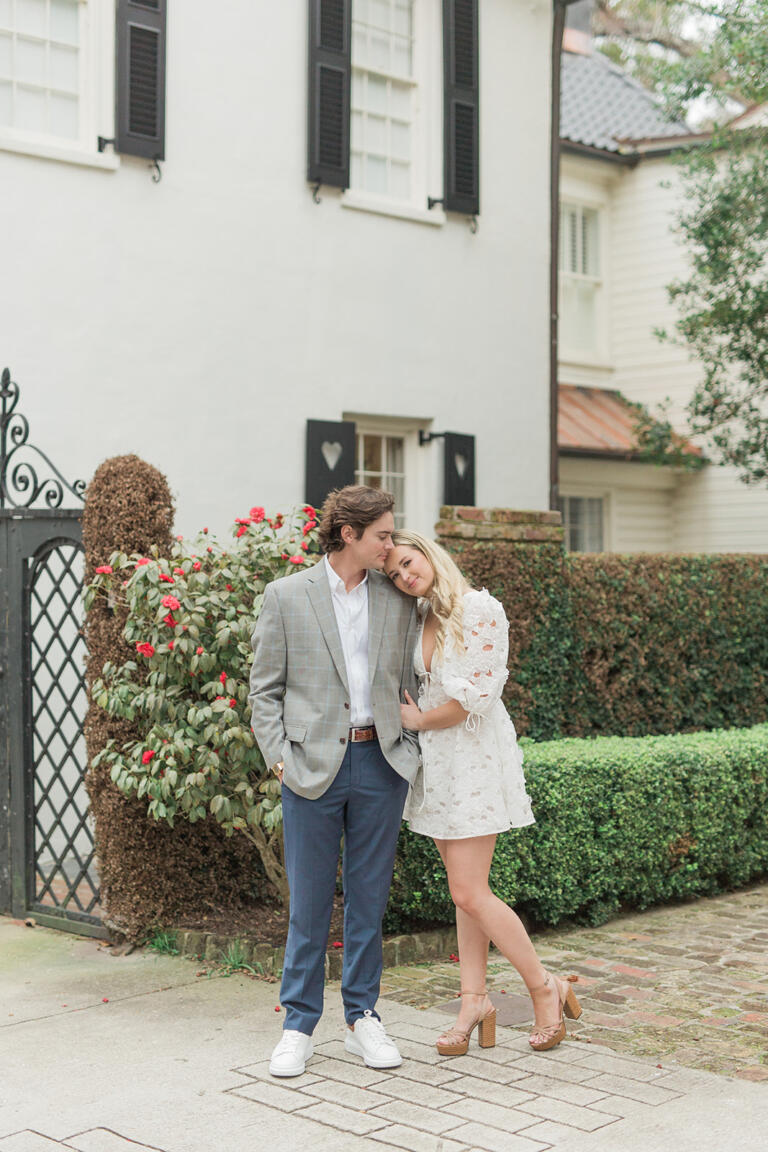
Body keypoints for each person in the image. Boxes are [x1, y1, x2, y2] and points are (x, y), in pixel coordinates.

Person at [384, 530, 582, 1055]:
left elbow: (480, 696)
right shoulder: (420, 615)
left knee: (470, 891)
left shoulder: (480, 608)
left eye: (408, 563)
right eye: (395, 574)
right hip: (438, 765)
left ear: (428, 553)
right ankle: (474, 1000)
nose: (405, 576)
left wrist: (419, 720)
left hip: (473, 759)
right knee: (463, 891)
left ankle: (545, 987)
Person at [248, 486, 421, 1078]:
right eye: (383, 535)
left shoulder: (397, 599)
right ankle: (298, 1025)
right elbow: (264, 692)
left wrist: (408, 751)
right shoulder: (286, 595)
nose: (391, 545)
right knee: (310, 902)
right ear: (349, 534)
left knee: (368, 900)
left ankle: (361, 1018)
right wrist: (281, 762)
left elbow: (413, 680)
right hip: (309, 767)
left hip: (381, 763)